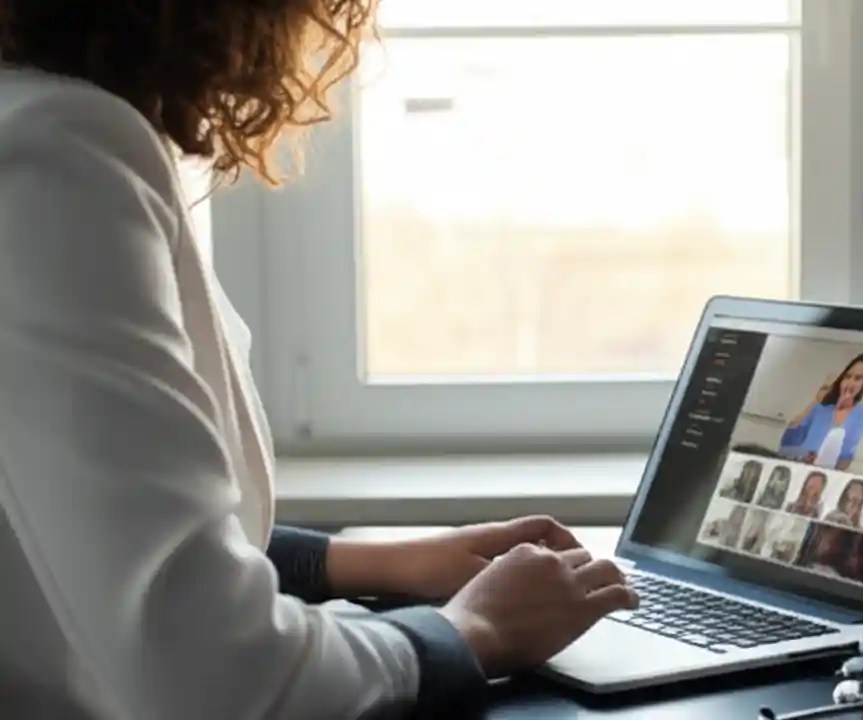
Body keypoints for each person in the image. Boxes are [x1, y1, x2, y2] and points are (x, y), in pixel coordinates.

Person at [0, 4, 637, 718]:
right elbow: (213, 677)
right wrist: (473, 630)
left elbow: (94, 540)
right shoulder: (57, 147)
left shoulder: (39, 123)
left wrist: (366, 565)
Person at [780, 353, 863, 470]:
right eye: (847, 377)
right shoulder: (818, 410)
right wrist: (815, 400)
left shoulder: (862, 414)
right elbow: (786, 443)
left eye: (857, 378)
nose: (850, 382)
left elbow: (845, 459)